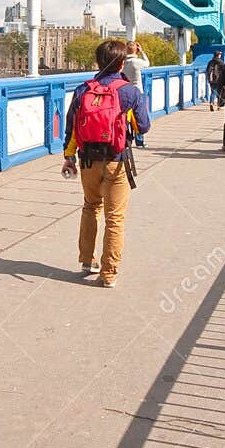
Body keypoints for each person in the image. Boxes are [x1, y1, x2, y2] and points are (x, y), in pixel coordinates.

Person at [63, 38, 150, 287]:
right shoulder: (130, 91)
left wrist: (68, 157)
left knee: (90, 207)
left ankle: (86, 260)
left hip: (88, 160)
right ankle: (108, 273)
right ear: (122, 62)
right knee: (115, 217)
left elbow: (71, 129)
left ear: (98, 61)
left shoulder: (83, 89)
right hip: (116, 160)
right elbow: (144, 126)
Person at [122, 41, 148, 146]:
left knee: (125, 117)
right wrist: (141, 52)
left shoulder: (122, 62)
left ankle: (125, 140)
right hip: (137, 92)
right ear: (136, 50)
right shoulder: (137, 62)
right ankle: (139, 141)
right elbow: (147, 63)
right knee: (138, 117)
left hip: (125, 92)